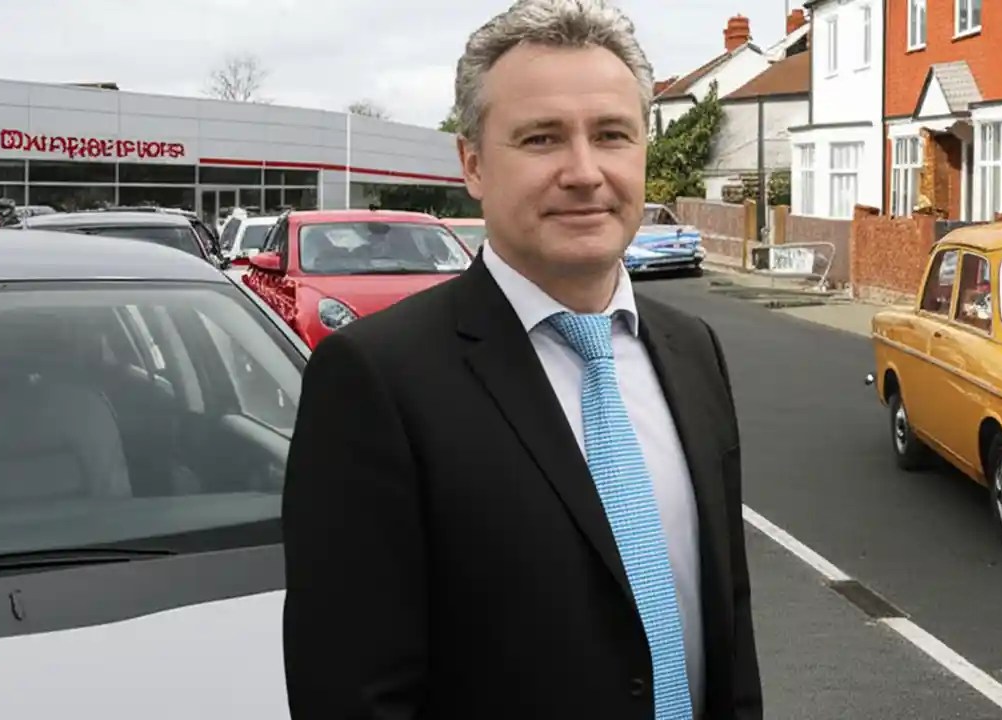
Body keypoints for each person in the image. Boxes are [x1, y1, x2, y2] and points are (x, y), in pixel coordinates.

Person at [280, 1, 762, 718]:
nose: (584, 171)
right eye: (541, 139)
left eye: (612, 135)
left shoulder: (693, 350)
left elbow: (728, 619)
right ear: (472, 162)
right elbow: (353, 694)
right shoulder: (375, 381)